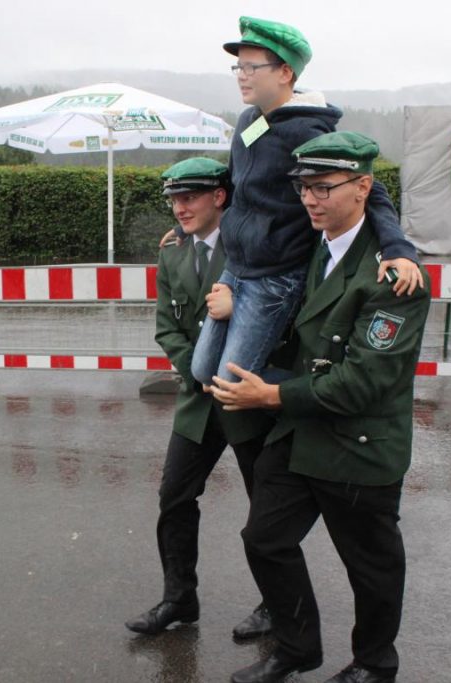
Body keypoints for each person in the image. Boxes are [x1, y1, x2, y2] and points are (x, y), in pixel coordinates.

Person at [209, 132, 431, 683]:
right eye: (304, 187)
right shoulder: (314, 247)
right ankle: (296, 648)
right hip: (302, 432)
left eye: (323, 187)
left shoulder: (393, 274)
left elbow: (364, 382)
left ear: (363, 187)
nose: (310, 199)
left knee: (371, 567)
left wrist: (272, 396)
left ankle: (375, 664)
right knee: (265, 539)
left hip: (358, 443)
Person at [189, 16, 424, 388]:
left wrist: (398, 248)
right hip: (237, 265)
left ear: (285, 72)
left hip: (275, 275)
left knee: (228, 382)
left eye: (251, 67)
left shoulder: (307, 129)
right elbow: (234, 187)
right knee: (201, 372)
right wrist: (186, 229)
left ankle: (310, 390)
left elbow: (369, 188)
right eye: (238, 67)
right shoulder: (249, 121)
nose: (241, 76)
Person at [125, 158, 275, 639]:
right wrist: (198, 368)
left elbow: (275, 312)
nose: (180, 208)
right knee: (174, 496)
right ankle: (179, 598)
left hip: (244, 395)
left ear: (220, 196)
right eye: (174, 199)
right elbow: (166, 327)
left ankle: (275, 605)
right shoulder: (172, 253)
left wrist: (225, 372)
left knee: (265, 508)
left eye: (189, 197)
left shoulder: (251, 247)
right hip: (197, 398)